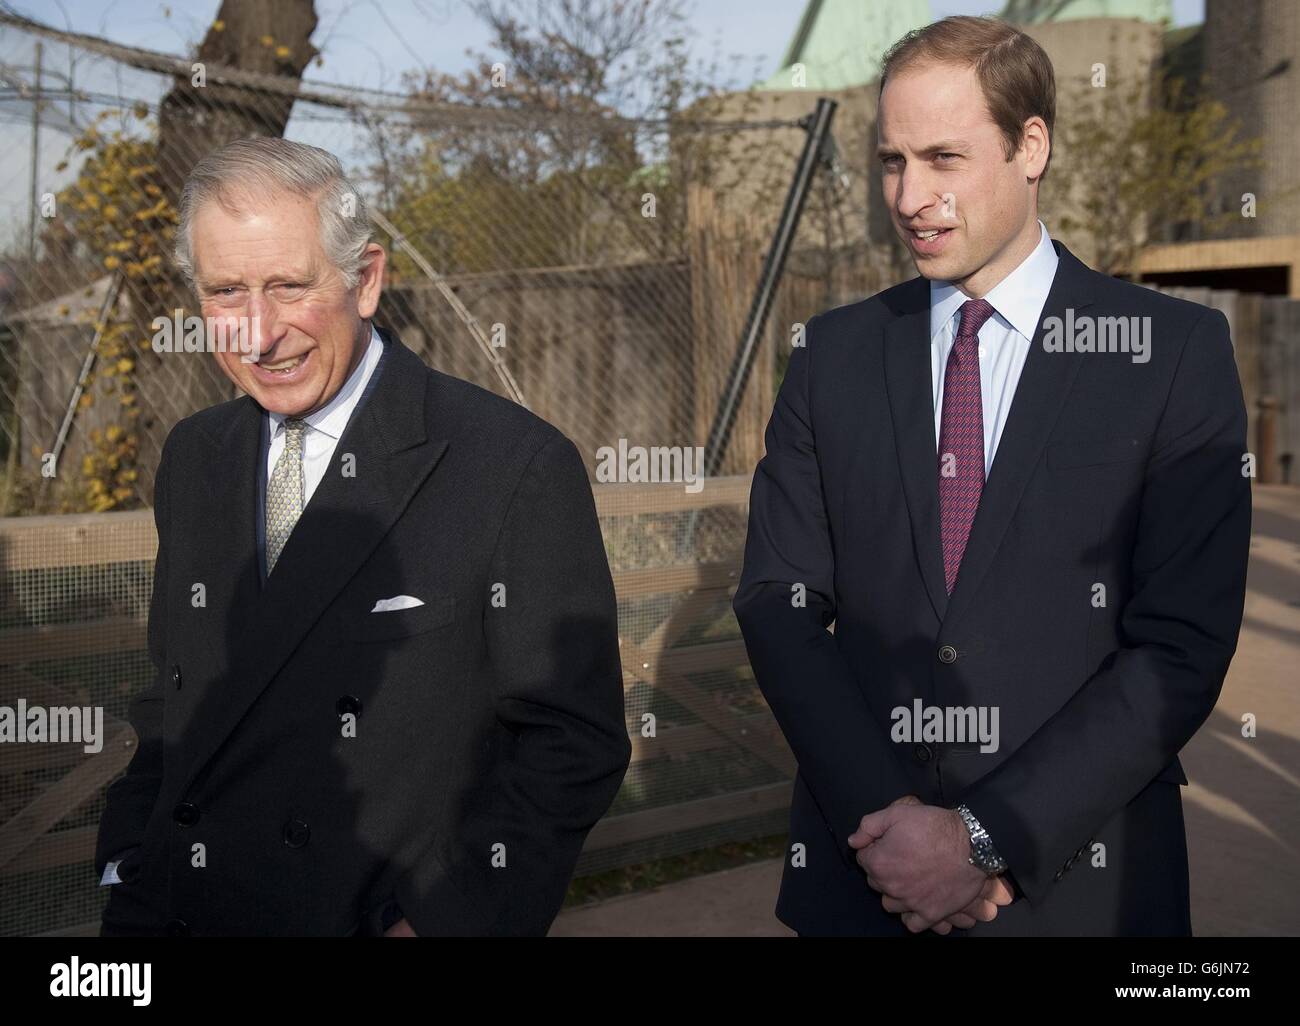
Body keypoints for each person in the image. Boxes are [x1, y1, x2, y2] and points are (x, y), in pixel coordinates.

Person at [733, 15, 1250, 936]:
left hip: (1085, 883)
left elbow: (1179, 644)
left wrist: (983, 837)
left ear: (1031, 146)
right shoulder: (832, 356)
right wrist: (897, 839)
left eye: (943, 157)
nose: (910, 194)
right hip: (864, 875)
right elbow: (779, 602)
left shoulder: (1172, 352)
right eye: (892, 161)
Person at [94, 137, 630, 937]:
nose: (257, 333)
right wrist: (125, 861)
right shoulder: (195, 456)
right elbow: (177, 689)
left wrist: (447, 921)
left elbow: (570, 742)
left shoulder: (511, 465)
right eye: (225, 292)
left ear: (366, 279)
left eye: (287, 286)